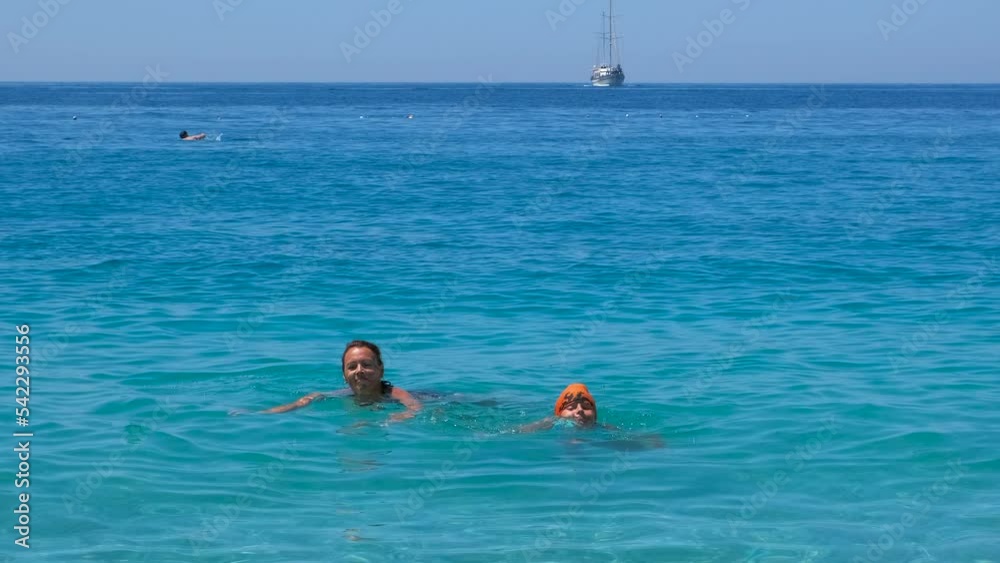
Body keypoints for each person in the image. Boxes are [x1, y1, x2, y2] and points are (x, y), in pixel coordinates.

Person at [254, 340, 421, 421]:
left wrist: (399, 417)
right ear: (344, 375)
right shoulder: (343, 394)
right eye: (352, 367)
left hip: (428, 397)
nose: (359, 371)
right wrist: (260, 414)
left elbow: (415, 407)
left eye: (366, 365)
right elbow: (302, 402)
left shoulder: (395, 393)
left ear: (381, 370)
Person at [516, 383, 610, 432]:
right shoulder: (548, 424)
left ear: (595, 414)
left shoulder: (606, 430)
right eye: (571, 408)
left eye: (586, 406)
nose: (580, 410)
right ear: (559, 414)